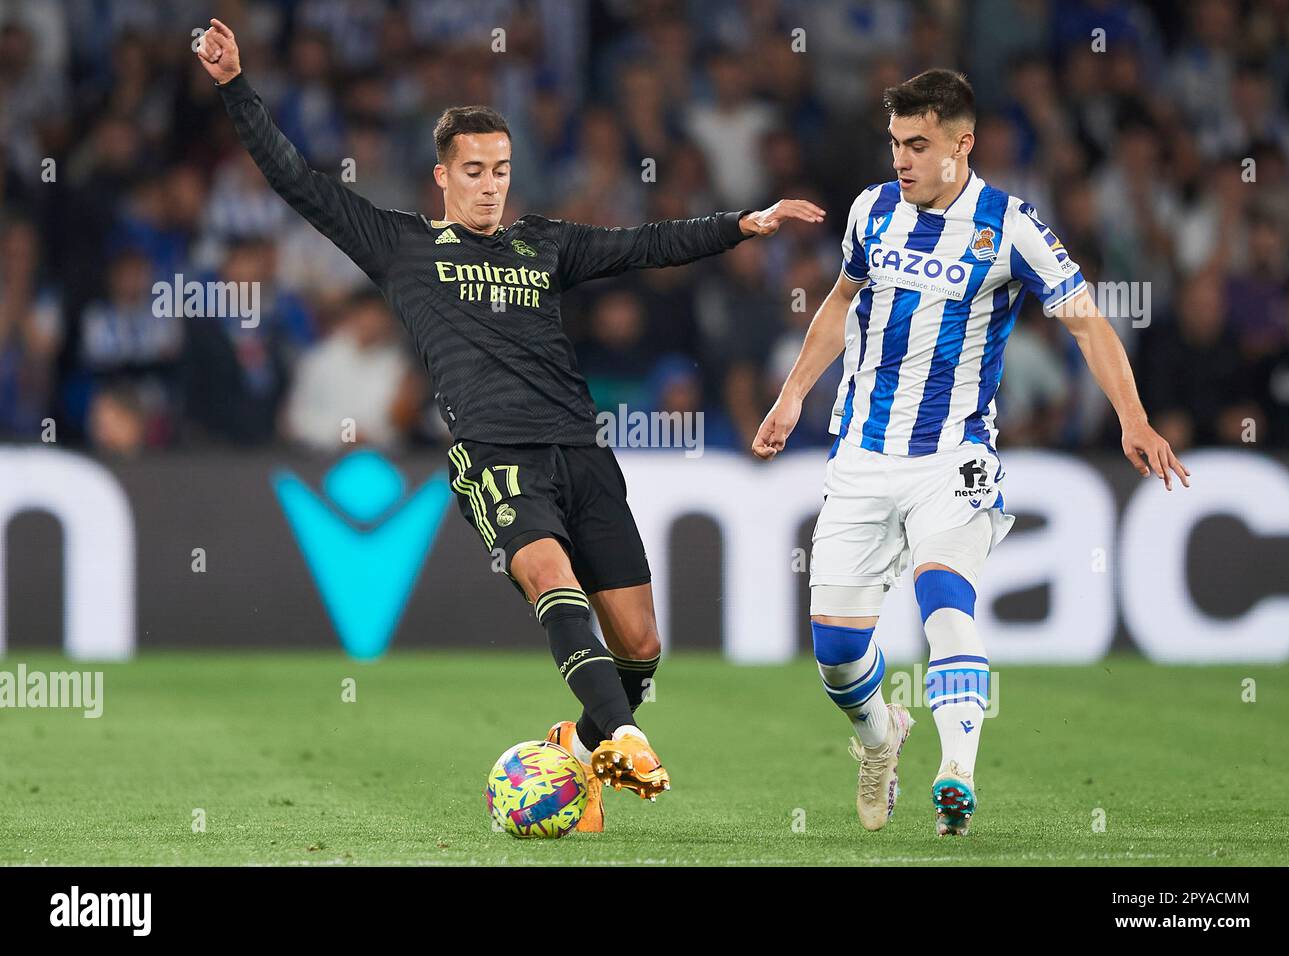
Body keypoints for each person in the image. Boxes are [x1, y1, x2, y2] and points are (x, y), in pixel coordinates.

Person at [196, 18, 824, 833]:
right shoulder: (400, 246)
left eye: (501, 170)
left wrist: (740, 223)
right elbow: (296, 181)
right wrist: (235, 87)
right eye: (475, 172)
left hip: (581, 451)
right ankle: (623, 738)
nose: (492, 185)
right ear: (442, 177)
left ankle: (578, 741)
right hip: (495, 454)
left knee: (640, 644)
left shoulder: (544, 244)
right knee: (549, 579)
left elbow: (643, 244)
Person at [753, 69, 1188, 837]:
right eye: (894, 144)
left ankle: (957, 771)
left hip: (953, 454)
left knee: (944, 595)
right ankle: (883, 741)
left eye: (918, 145)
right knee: (836, 656)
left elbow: (1086, 321)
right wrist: (792, 395)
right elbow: (843, 301)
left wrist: (1134, 417)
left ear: (964, 142)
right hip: (859, 453)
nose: (901, 160)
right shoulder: (872, 210)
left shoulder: (1009, 223)